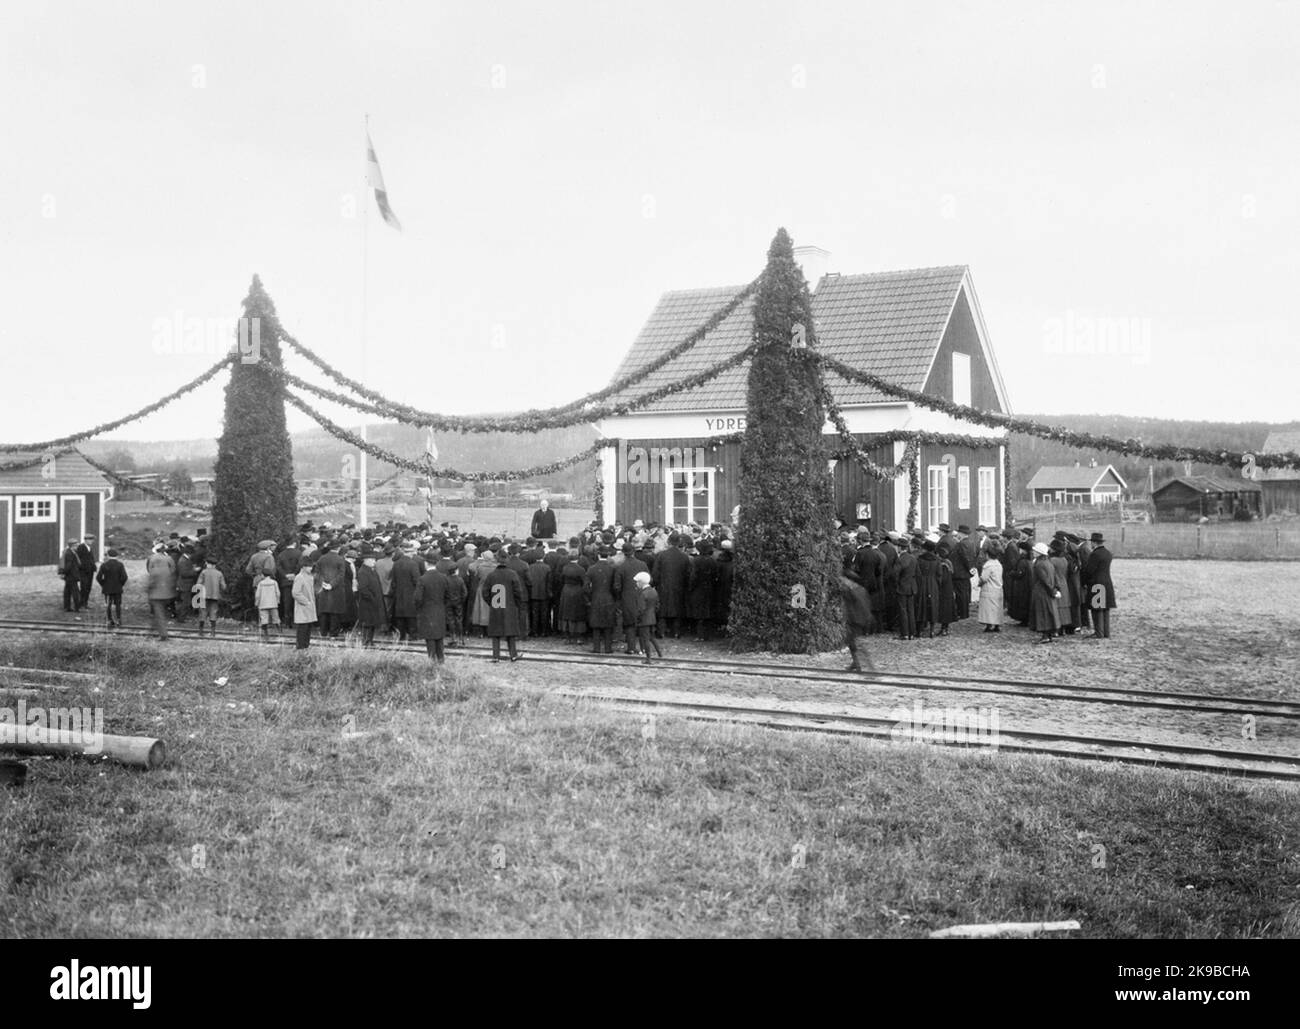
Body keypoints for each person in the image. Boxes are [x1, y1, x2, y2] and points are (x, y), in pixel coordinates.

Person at [481, 550, 527, 663]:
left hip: (496, 605)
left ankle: (495, 655)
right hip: (509, 605)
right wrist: (517, 603)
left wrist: (491, 602)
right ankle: (513, 654)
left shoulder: (491, 575)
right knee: (510, 631)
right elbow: (518, 592)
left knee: (495, 632)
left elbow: (485, 592)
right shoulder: (512, 574)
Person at [414, 559, 453, 664]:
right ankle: (441, 660)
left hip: (426, 611)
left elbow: (418, 598)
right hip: (440, 610)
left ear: (426, 564)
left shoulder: (422, 579)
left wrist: (419, 608)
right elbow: (448, 596)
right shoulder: (443, 578)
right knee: (439, 637)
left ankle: (431, 661)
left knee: (430, 637)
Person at [613, 542, 649, 654]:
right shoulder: (642, 564)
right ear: (633, 551)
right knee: (642, 623)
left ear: (623, 553)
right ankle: (643, 648)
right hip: (641, 596)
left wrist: (619, 597)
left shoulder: (621, 567)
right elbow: (648, 579)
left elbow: (617, 586)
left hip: (626, 598)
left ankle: (631, 648)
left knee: (629, 624)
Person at [652, 534, 690, 639]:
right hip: (679, 586)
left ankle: (661, 632)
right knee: (678, 609)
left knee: (663, 609)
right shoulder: (684, 556)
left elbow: (655, 573)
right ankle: (676, 632)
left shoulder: (661, 555)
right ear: (679, 542)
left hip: (663, 586)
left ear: (668, 542)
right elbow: (688, 574)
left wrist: (655, 584)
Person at [1081, 532, 1116, 639]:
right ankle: (1106, 632)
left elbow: (1089, 570)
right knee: (1105, 609)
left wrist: (1083, 581)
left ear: (1094, 543)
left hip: (1096, 584)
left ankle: (1098, 632)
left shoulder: (1095, 554)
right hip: (1107, 583)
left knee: (1097, 610)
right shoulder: (1108, 553)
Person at [584, 546, 618, 654]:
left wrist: (589, 597)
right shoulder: (612, 569)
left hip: (596, 597)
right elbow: (616, 586)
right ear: (608, 556)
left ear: (598, 555)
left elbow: (585, 587)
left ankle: (596, 648)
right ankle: (608, 648)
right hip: (609, 598)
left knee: (596, 624)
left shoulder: (591, 569)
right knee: (608, 624)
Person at [839, 567, 874, 672]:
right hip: (861, 618)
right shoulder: (860, 589)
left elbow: (852, 606)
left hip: (855, 619)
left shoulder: (850, 590)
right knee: (852, 641)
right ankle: (856, 663)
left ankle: (863, 665)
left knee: (855, 642)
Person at [1029, 542, 1062, 644]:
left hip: (1041, 592)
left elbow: (1044, 580)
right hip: (1048, 591)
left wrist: (1051, 590)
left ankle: (1045, 636)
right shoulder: (1049, 563)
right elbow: (1055, 577)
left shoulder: (1039, 564)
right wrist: (1056, 589)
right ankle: (1048, 635)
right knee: (1049, 613)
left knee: (1042, 614)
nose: (1033, 552)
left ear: (1039, 553)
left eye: (1035, 551)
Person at [314, 542, 348, 638]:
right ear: (338, 548)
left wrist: (322, 582)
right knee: (335, 612)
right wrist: (332, 584)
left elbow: (317, 572)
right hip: (336, 589)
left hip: (323, 588)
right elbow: (341, 575)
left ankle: (323, 632)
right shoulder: (340, 559)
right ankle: (333, 633)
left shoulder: (321, 558)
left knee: (324, 611)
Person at [354, 546, 385, 648]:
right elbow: (363, 589)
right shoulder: (363, 572)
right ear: (366, 560)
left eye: (374, 560)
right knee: (367, 623)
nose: (374, 562)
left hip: (373, 602)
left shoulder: (371, 570)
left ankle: (370, 641)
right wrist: (373, 599)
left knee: (372, 623)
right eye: (372, 560)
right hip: (367, 603)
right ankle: (366, 641)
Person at [145, 544, 177, 640]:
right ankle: (153, 631)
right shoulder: (169, 559)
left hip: (156, 594)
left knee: (159, 615)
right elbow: (173, 571)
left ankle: (163, 635)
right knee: (160, 614)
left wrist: (147, 589)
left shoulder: (152, 560)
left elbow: (150, 572)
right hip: (168, 592)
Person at [632, 570, 663, 664]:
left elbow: (640, 609)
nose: (636, 583)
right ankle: (659, 653)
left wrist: (637, 618)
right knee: (651, 637)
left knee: (645, 639)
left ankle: (648, 658)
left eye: (637, 582)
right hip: (652, 618)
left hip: (644, 619)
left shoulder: (643, 593)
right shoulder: (653, 591)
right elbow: (657, 606)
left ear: (641, 582)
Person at [977, 539, 1005, 633]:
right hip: (998, 588)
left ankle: (989, 625)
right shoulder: (999, 564)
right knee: (997, 608)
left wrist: (979, 583)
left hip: (989, 589)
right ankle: (997, 625)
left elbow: (984, 578)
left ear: (987, 555)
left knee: (989, 609)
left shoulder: (988, 565)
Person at [95, 548, 128, 628]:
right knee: (118, 604)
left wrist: (104, 584)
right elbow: (124, 577)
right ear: (116, 556)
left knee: (108, 604)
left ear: (108, 555)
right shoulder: (120, 565)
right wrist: (120, 584)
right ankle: (118, 620)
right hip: (117, 588)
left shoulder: (104, 565)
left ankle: (109, 620)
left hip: (107, 588)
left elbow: (98, 577)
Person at [194, 557, 226, 638]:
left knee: (202, 613)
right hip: (215, 596)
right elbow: (224, 586)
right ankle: (213, 632)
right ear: (215, 565)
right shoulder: (219, 573)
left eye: (207, 564)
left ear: (209, 564)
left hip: (203, 595)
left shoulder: (203, 572)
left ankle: (201, 632)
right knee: (213, 613)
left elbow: (198, 584)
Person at [893, 538, 918, 640]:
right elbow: (917, 573)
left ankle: (905, 633)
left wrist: (897, 584)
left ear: (899, 547)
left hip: (902, 587)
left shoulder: (900, 559)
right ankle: (912, 632)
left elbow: (895, 575)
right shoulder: (913, 558)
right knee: (911, 610)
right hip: (911, 586)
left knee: (903, 610)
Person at [292, 555, 318, 650]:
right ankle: (300, 647)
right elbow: (295, 592)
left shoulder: (309, 577)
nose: (310, 568)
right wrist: (306, 602)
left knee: (308, 628)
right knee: (302, 628)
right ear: (303, 566)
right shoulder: (299, 577)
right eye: (308, 566)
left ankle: (306, 647)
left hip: (309, 606)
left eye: (311, 566)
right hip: (303, 606)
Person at [254, 571, 281, 640]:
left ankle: (266, 634)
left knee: (264, 620)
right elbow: (278, 593)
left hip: (263, 604)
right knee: (276, 618)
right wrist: (277, 600)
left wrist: (257, 603)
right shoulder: (274, 583)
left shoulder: (260, 583)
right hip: (273, 603)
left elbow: (258, 595)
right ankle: (279, 633)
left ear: (263, 575)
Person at [59, 539, 81, 612]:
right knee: (75, 592)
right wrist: (64, 573)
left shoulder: (71, 552)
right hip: (71, 576)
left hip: (69, 576)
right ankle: (77, 607)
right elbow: (68, 565)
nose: (77, 546)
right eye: (76, 545)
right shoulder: (69, 554)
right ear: (72, 546)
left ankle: (67, 607)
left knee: (67, 592)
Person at [76, 535, 97, 610]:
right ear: (86, 540)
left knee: (88, 587)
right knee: (84, 587)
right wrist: (80, 568)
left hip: (90, 570)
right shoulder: (81, 547)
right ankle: (81, 603)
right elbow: (78, 559)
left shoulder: (89, 548)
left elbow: (91, 558)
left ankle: (85, 603)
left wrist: (93, 566)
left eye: (92, 540)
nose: (92, 541)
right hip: (83, 571)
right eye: (90, 539)